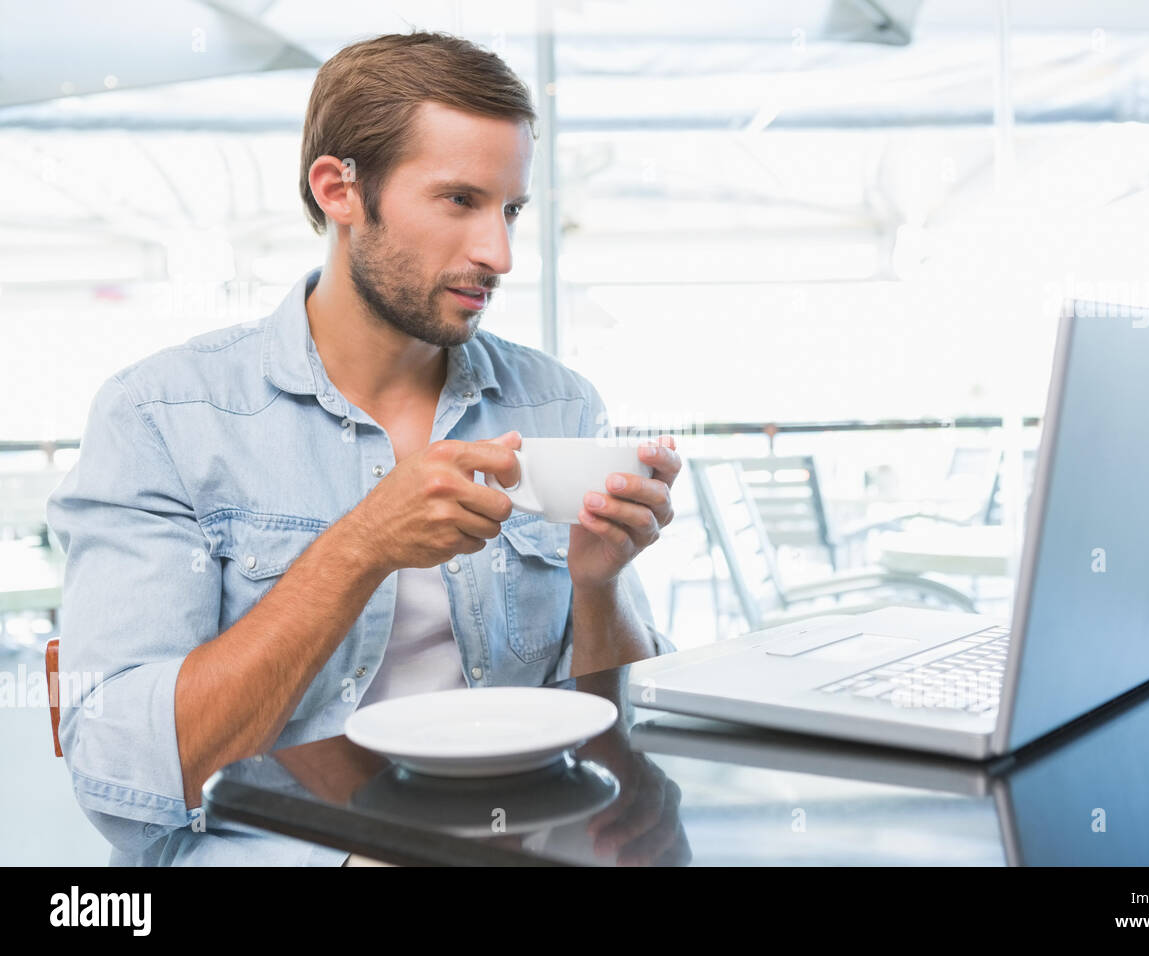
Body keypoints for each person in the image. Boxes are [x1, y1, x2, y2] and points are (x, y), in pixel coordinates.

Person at [45, 30, 679, 866]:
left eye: (511, 208)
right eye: (459, 201)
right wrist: (360, 548)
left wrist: (602, 586)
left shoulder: (556, 403)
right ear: (339, 189)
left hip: (517, 842)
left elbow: (623, 754)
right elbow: (127, 774)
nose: (500, 253)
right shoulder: (162, 417)